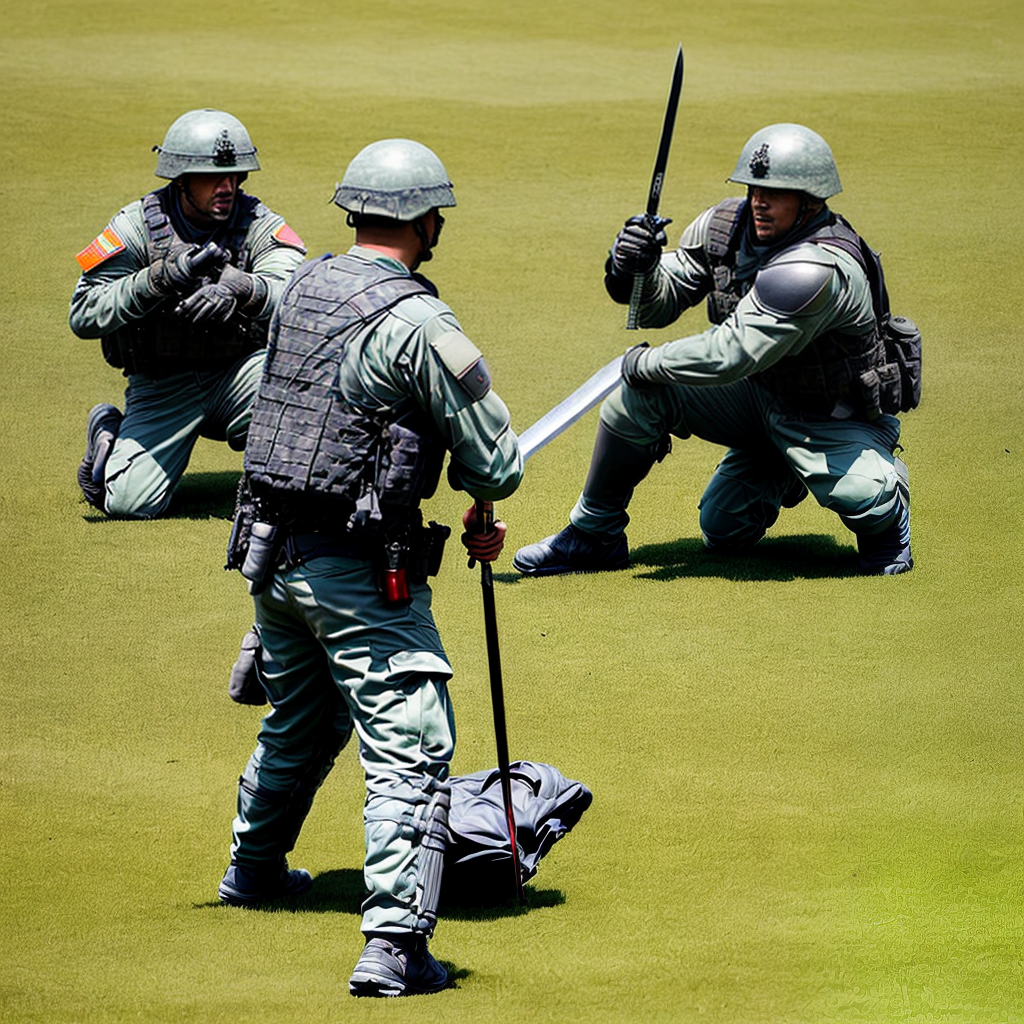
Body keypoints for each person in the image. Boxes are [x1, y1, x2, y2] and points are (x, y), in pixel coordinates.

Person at [216, 139, 522, 998]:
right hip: (356, 572)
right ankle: (393, 946)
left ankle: (254, 871)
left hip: (270, 557)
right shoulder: (418, 320)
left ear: (355, 213)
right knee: (412, 751)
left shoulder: (303, 285)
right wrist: (477, 492)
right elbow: (495, 463)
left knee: (302, 725)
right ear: (429, 222)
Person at [514, 123, 914, 578]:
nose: (759, 201)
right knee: (720, 526)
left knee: (862, 496)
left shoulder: (817, 268)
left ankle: (887, 504)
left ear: (811, 200)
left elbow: (732, 354)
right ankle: (594, 535)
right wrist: (634, 269)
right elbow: (661, 302)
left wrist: (645, 361)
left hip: (827, 413)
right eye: (754, 187)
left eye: (776, 192)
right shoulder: (726, 227)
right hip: (757, 396)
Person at [70, 109, 307, 518]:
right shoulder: (135, 227)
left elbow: (297, 296)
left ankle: (273, 477)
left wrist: (245, 288)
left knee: (301, 398)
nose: (227, 186)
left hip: (240, 373)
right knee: (130, 504)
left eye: (235, 176)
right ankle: (108, 433)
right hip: (164, 385)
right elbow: (84, 313)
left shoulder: (258, 223)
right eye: (214, 177)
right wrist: (156, 280)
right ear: (180, 178)